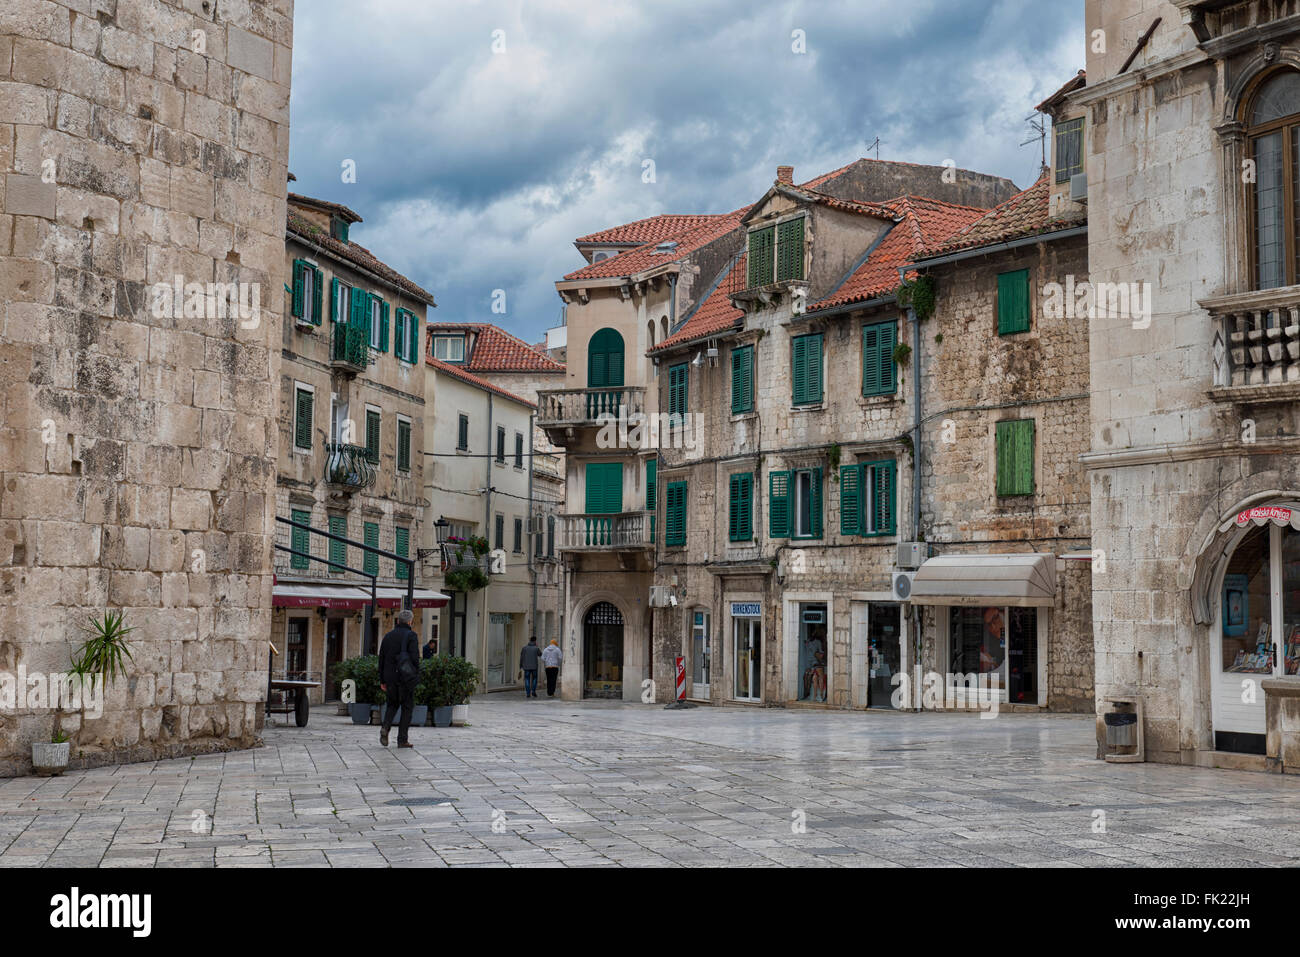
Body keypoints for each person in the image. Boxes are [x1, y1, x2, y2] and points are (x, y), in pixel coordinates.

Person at [378, 609, 421, 748]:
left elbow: (382, 659)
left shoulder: (388, 636)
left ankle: (386, 727)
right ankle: (402, 740)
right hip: (405, 678)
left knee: (392, 704)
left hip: (390, 677)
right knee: (407, 707)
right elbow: (415, 658)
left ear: (398, 621)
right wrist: (415, 674)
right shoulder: (411, 636)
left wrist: (382, 680)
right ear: (410, 621)